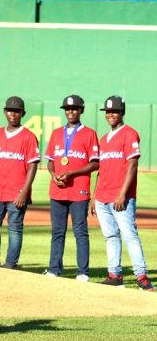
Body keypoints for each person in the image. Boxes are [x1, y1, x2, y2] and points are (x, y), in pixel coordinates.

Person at [91, 96, 154, 291]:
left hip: (120, 198)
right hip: (102, 197)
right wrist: (94, 197)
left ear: (122, 113)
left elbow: (132, 165)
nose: (110, 114)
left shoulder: (130, 134)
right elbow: (101, 170)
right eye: (108, 112)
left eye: (114, 111)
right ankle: (115, 275)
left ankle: (142, 277)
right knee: (110, 236)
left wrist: (122, 194)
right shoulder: (104, 139)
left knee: (130, 236)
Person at [44, 95, 99, 281]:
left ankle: (83, 272)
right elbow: (50, 161)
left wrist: (72, 173)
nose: (70, 112)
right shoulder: (56, 133)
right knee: (57, 231)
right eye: (67, 109)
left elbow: (95, 163)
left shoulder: (89, 134)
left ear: (81, 110)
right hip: (58, 189)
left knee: (80, 232)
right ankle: (54, 269)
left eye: (74, 109)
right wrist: (53, 175)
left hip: (79, 190)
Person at [0, 97, 40, 269]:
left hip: (16, 193)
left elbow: (33, 165)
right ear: (4, 112)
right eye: (9, 111)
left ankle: (10, 263)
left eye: (16, 111)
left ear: (22, 113)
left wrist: (24, 191)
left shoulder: (29, 137)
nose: (12, 114)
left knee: (14, 229)